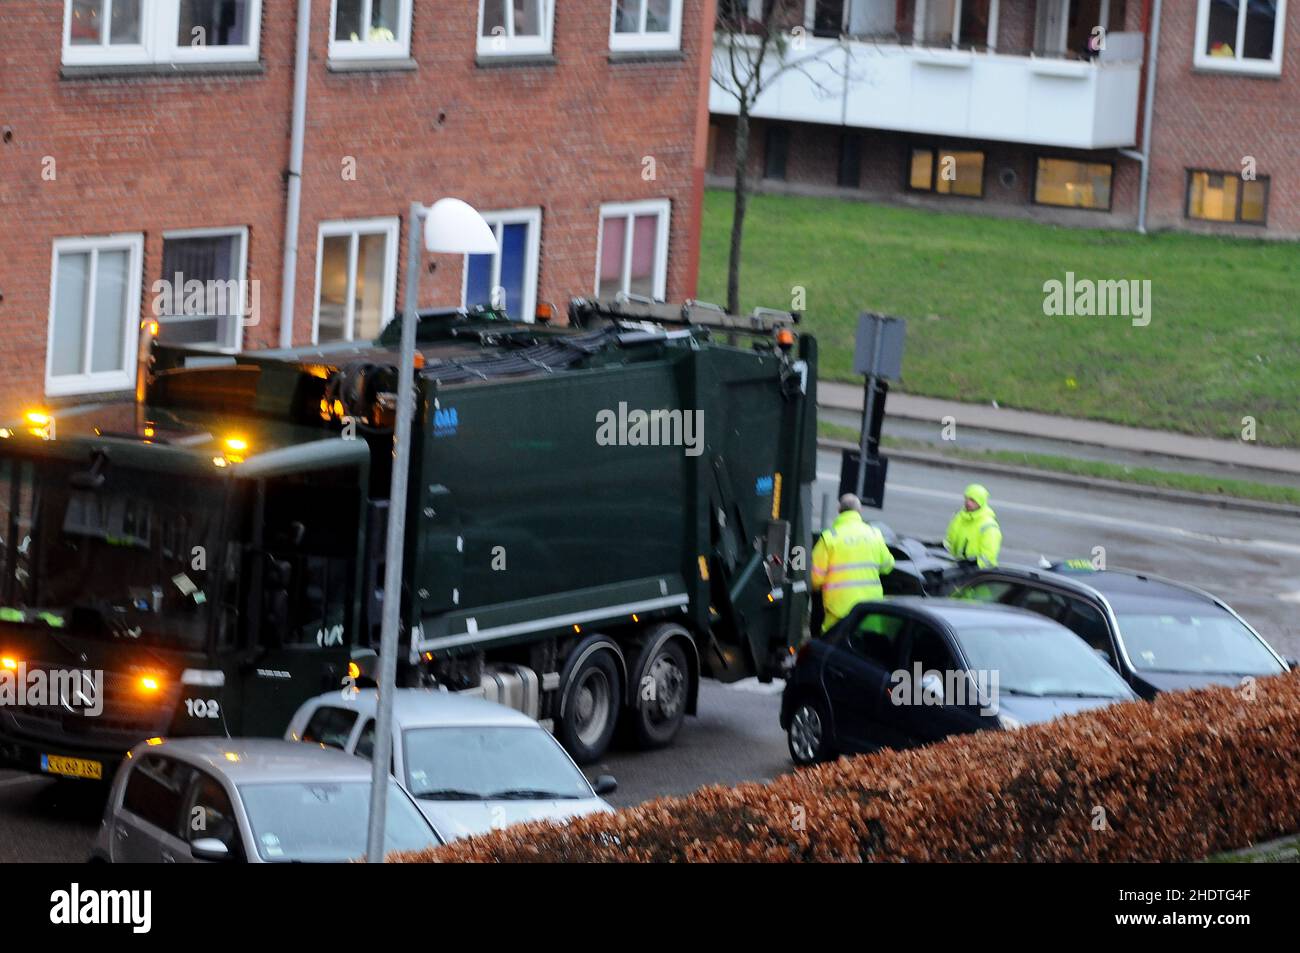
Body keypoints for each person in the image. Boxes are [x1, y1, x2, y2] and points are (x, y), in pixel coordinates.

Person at [810, 494, 895, 633]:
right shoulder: (874, 534)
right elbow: (888, 566)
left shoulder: (829, 538)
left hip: (839, 612)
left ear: (839, 510)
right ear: (859, 511)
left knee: (834, 650)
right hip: (869, 610)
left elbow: (815, 579)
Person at [945, 483, 1002, 568]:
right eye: (966, 498)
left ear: (980, 502)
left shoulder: (989, 525)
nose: (967, 502)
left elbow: (988, 558)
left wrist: (972, 566)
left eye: (972, 500)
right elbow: (949, 542)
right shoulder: (959, 517)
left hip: (976, 575)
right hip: (957, 568)